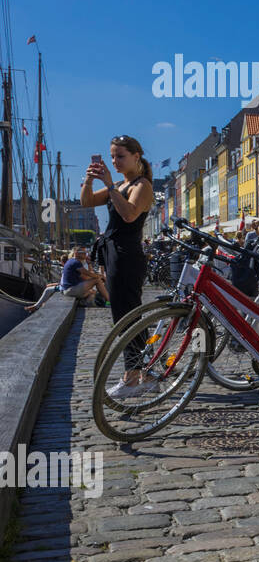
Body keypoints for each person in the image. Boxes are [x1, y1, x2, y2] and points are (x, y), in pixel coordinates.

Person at [81, 135, 154, 398]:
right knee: (128, 314)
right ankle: (146, 371)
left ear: (136, 156)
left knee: (126, 317)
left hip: (127, 255)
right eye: (112, 156)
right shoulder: (121, 186)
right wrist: (90, 180)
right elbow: (86, 202)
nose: (115, 161)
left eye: (120, 156)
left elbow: (129, 214)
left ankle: (131, 377)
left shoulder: (141, 185)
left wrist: (110, 184)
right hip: (114, 254)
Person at [26, 246, 109, 312]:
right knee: (97, 281)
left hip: (68, 289)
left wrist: (97, 275)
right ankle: (109, 300)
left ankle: (107, 300)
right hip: (70, 290)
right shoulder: (75, 262)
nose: (85, 254)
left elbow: (84, 277)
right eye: (83, 253)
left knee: (94, 286)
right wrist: (100, 276)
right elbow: (89, 274)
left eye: (86, 253)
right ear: (76, 254)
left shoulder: (72, 262)